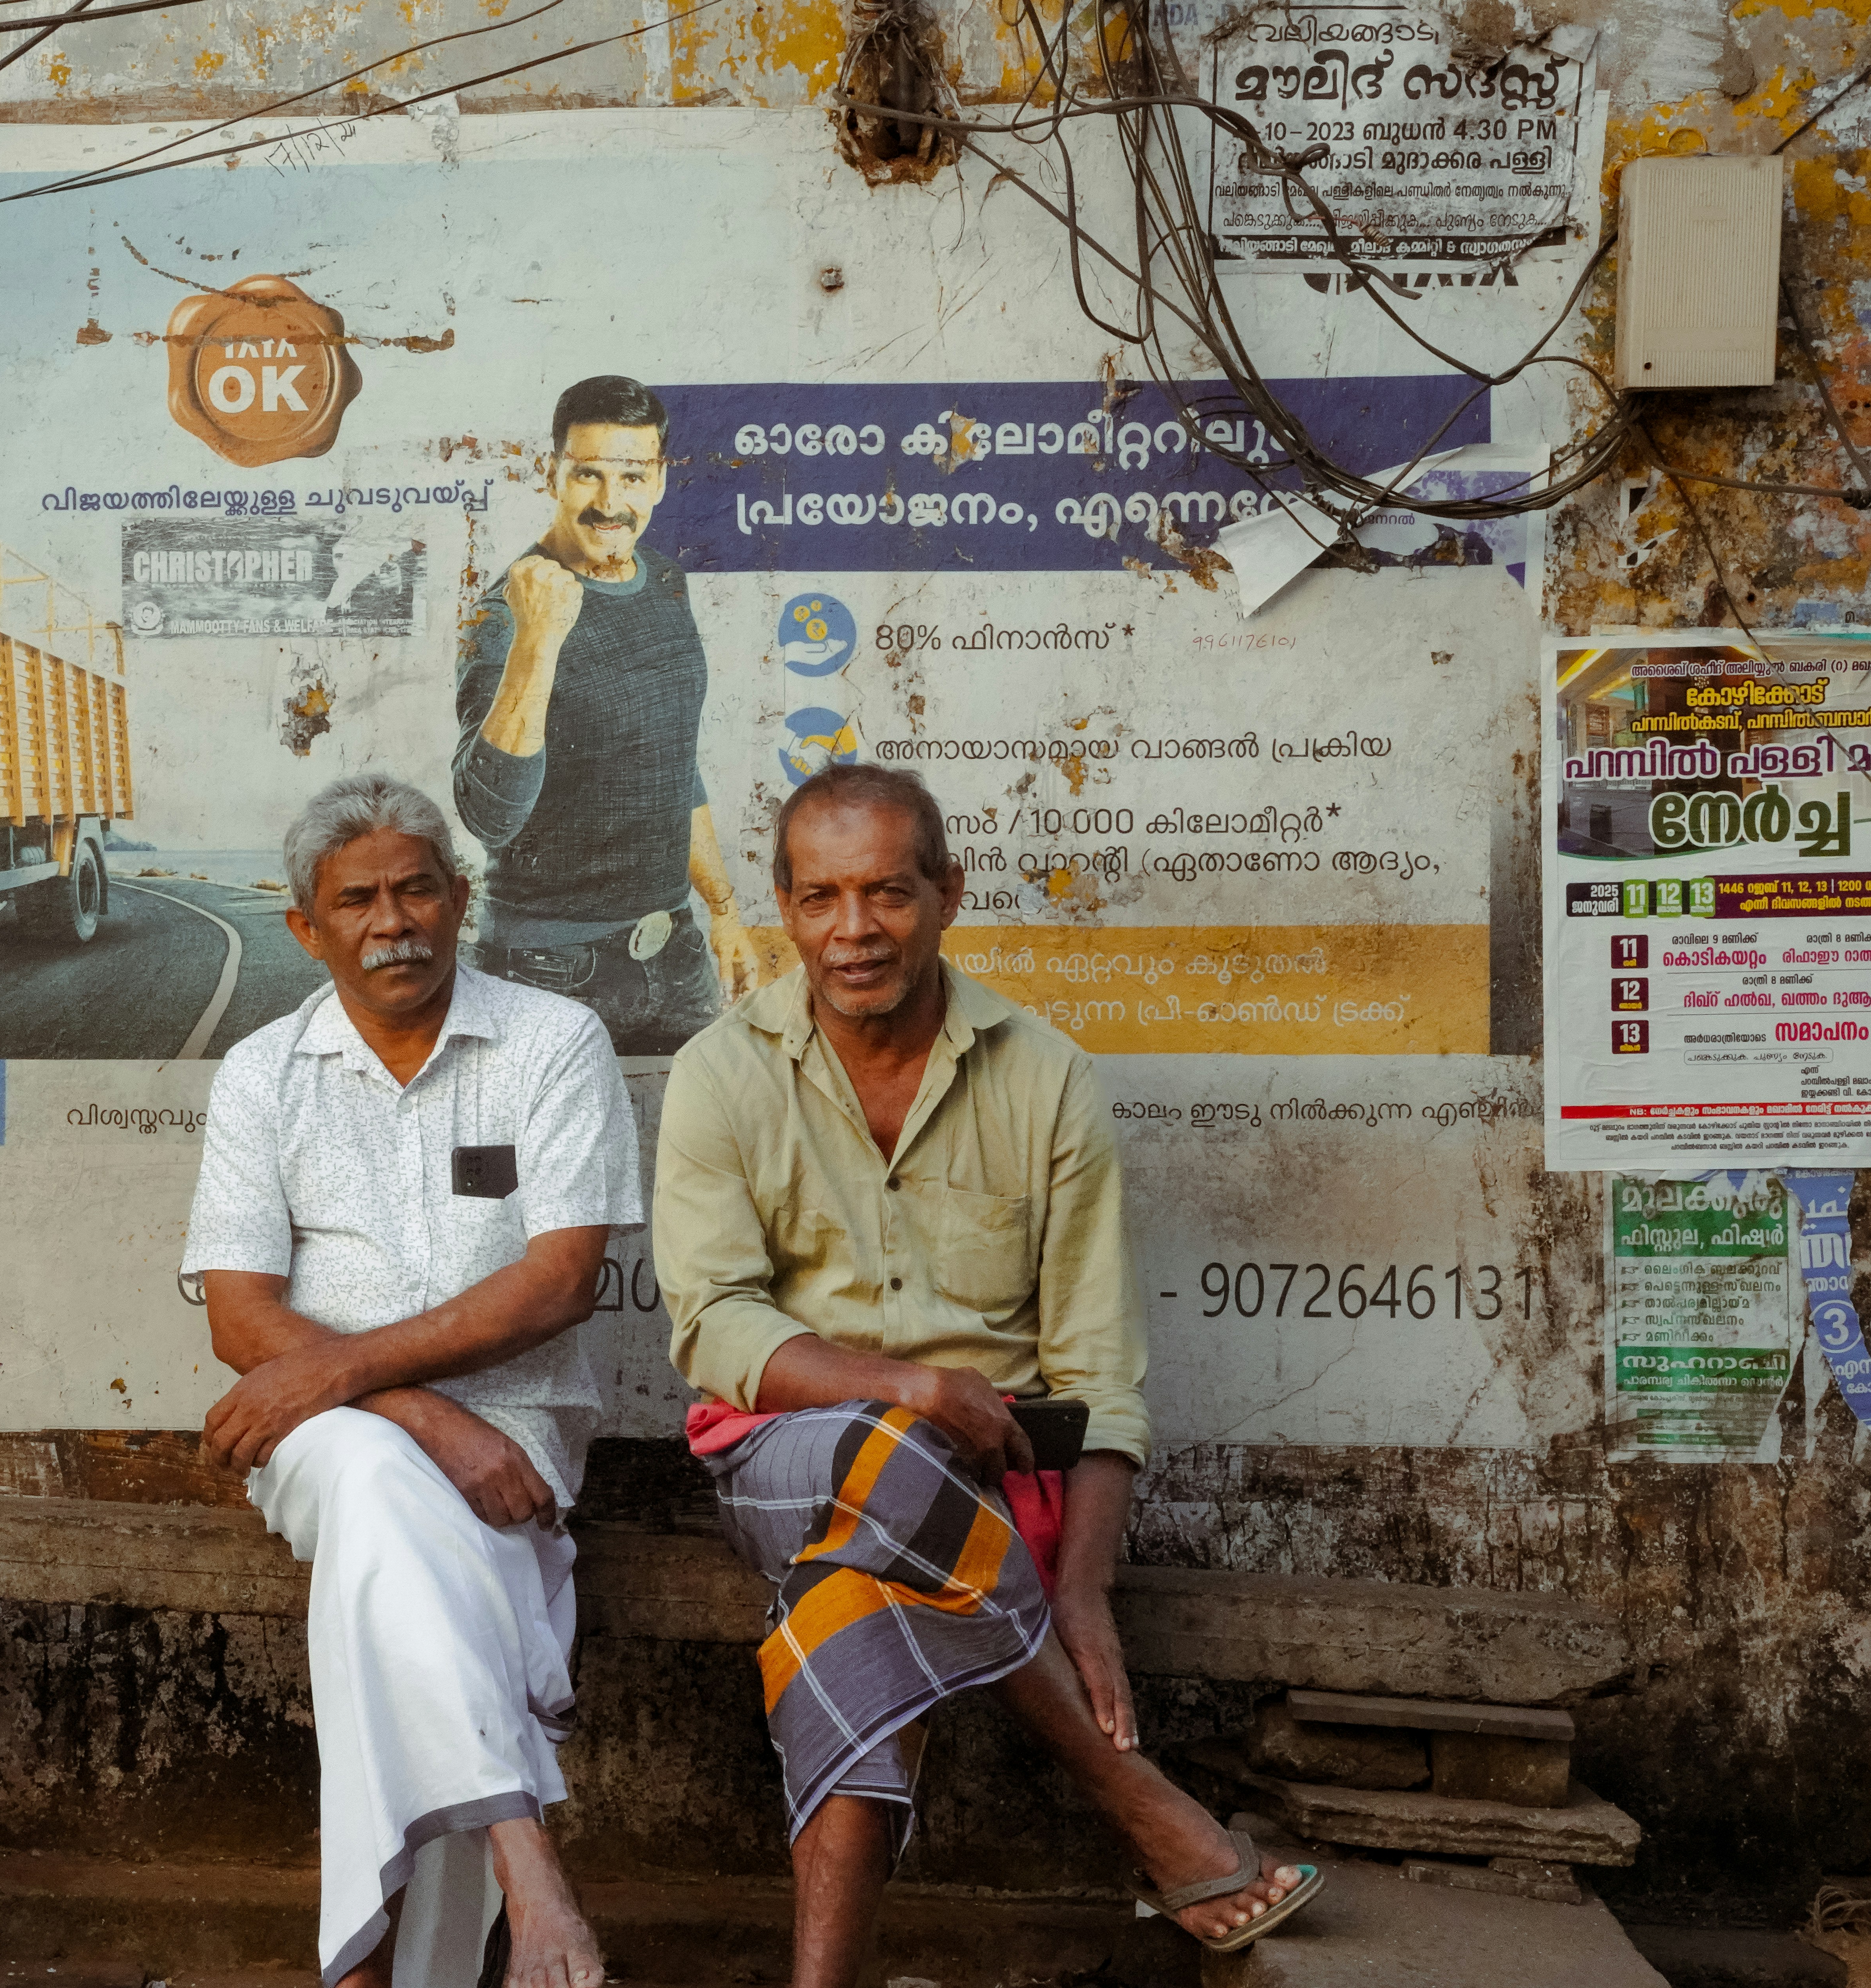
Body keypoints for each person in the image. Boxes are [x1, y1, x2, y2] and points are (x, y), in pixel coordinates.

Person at [650, 764, 1323, 1984]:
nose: (851, 931)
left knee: (843, 1615)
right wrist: (908, 1388)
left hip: (992, 1497)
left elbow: (1096, 1373)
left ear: (946, 893)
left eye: (886, 894)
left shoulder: (1044, 1076)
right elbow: (715, 1328)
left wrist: (1079, 1587)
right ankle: (1133, 1798)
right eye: (819, 898)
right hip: (779, 1460)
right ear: (784, 909)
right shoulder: (720, 1073)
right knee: (893, 1444)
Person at [183, 771, 646, 1988]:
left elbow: (557, 1283)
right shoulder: (261, 1072)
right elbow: (240, 1314)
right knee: (379, 1477)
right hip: (326, 1434)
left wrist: (349, 1370)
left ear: (461, 899)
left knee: (390, 1583)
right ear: (304, 926)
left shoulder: (552, 1042)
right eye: (356, 899)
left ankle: (367, 1966)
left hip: (514, 1438)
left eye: (416, 888)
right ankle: (523, 1857)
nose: (392, 920)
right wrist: (415, 1409)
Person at [453, 373, 756, 1053]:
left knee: (689, 1159)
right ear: (550, 474)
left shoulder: (667, 582)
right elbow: (487, 816)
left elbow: (671, 760)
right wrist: (539, 640)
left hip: (674, 954)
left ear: (659, 480)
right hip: (549, 968)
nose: (610, 503)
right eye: (587, 475)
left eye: (631, 476)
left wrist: (723, 911)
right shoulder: (505, 614)